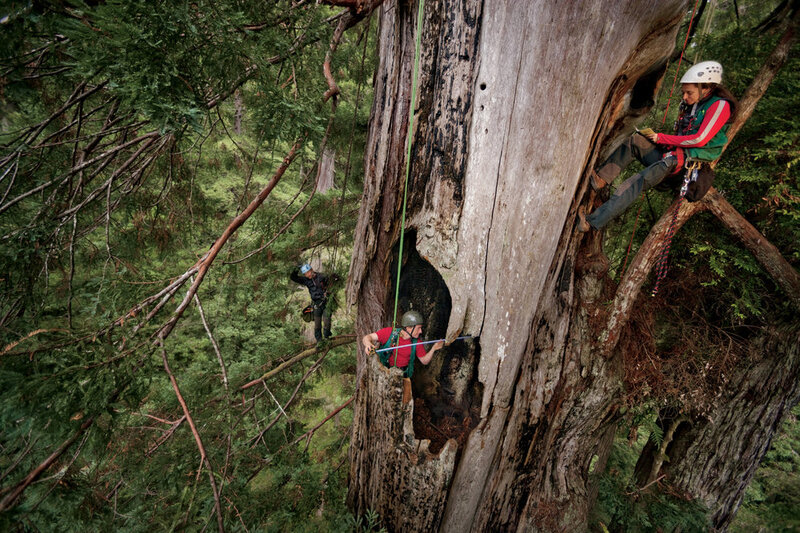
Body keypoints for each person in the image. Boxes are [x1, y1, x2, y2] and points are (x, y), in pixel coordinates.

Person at [578, 61, 738, 231]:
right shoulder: (694, 105)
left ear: (706, 88)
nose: (685, 97)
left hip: (683, 167)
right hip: (671, 158)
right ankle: (600, 179)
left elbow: (700, 140)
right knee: (636, 141)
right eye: (683, 93)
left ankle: (591, 222)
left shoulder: (720, 105)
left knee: (635, 183)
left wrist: (660, 138)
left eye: (689, 93)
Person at [361, 310, 444, 379]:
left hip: (402, 375)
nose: (420, 331)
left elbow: (424, 361)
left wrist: (434, 348)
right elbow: (367, 337)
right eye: (418, 328)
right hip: (384, 374)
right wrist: (368, 344)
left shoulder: (417, 343)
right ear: (408, 327)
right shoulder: (389, 333)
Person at [290, 263, 332, 342]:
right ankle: (319, 341)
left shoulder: (322, 276)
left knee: (327, 321)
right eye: (305, 274)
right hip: (316, 304)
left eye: (308, 272)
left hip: (326, 302)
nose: (307, 275)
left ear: (311, 270)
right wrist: (296, 269)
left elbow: (331, 283)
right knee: (317, 323)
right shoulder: (306, 280)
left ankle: (327, 338)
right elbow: (293, 278)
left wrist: (329, 291)